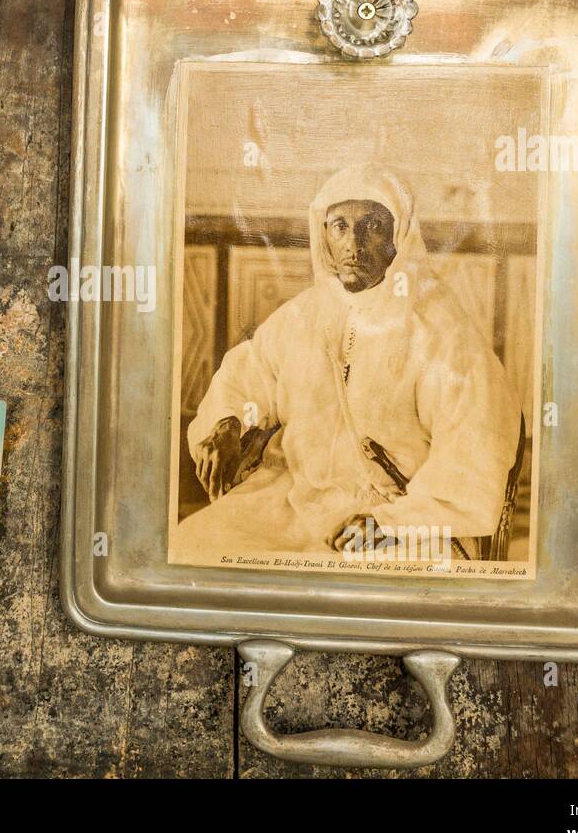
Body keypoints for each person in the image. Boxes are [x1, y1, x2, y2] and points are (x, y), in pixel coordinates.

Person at [175, 164, 521, 558]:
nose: (353, 243)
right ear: (323, 234)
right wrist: (228, 422)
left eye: (372, 226)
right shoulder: (302, 316)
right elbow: (247, 377)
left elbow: (473, 447)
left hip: (406, 517)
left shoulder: (440, 329)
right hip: (300, 501)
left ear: (398, 236)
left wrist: (393, 523)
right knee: (195, 545)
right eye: (340, 226)